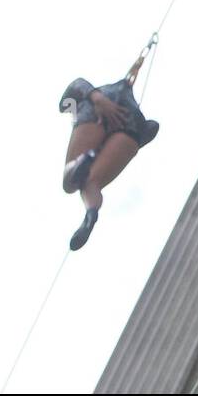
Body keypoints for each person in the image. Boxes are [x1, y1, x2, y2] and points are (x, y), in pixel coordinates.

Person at [59, 52, 160, 250]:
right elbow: (152, 128)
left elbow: (76, 85)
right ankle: (90, 214)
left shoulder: (96, 94)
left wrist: (96, 97)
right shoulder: (120, 99)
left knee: (69, 184)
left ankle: (84, 160)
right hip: (130, 124)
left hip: (97, 113)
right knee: (91, 182)